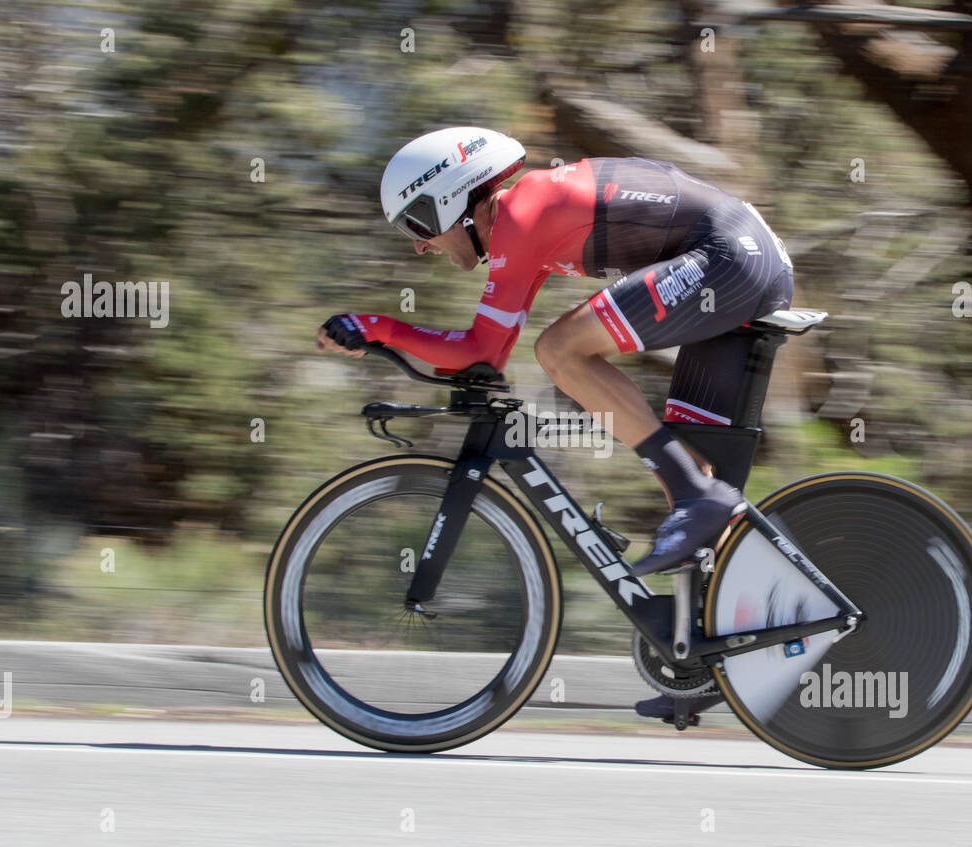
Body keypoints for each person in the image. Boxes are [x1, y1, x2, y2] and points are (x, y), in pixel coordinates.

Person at [318, 126, 795, 718]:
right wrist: (389, 333)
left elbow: (479, 352)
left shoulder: (524, 212)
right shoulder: (532, 222)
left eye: (417, 226)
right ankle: (704, 657)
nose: (419, 246)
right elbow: (486, 353)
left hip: (730, 257)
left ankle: (698, 501)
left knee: (561, 350)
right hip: (743, 257)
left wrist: (376, 326)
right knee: (695, 467)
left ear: (450, 196)